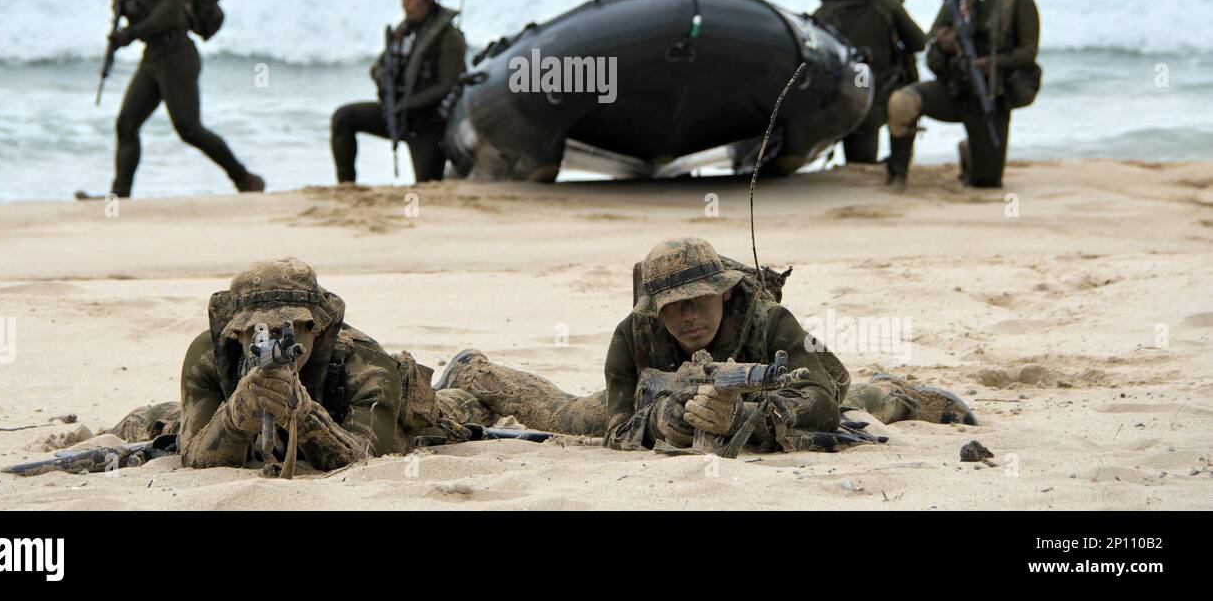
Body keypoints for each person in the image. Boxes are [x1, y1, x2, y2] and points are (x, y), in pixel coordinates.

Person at [436, 238, 976, 453]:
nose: (687, 315)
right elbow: (620, 428)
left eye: (697, 300)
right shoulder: (634, 336)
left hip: (773, 393)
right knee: (567, 415)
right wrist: (671, 419)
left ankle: (900, 394)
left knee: (857, 404)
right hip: (662, 401)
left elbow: (820, 402)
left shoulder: (768, 321)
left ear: (723, 292)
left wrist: (746, 415)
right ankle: (478, 374)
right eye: (673, 305)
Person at [174, 256, 476, 474]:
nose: (273, 344)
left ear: (316, 328)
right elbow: (194, 457)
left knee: (458, 406)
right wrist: (238, 412)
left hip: (392, 410)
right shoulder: (209, 356)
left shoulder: (366, 365)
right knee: (152, 423)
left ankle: (466, 370)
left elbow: (365, 459)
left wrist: (304, 415)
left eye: (289, 331)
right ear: (237, 333)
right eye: (257, 331)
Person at [98, 0, 263, 198]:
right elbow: (151, 6)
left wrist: (131, 33)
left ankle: (245, 179)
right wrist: (127, 4)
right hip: (155, 55)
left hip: (176, 56)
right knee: (127, 123)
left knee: (189, 129)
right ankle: (119, 196)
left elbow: (171, 12)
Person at [886, 0, 1041, 188]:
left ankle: (971, 149)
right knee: (901, 103)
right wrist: (947, 40)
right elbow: (932, 35)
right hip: (953, 89)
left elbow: (1028, 52)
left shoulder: (1019, 0)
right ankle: (897, 173)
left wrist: (990, 64)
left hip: (991, 97)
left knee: (986, 182)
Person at [331, 0, 466, 183]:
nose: (404, 2)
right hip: (396, 113)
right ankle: (346, 186)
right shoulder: (403, 32)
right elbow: (378, 65)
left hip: (427, 124)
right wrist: (382, 77)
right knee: (343, 118)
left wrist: (408, 104)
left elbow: (446, 85)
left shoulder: (449, 37)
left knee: (427, 186)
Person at [813, 0, 927, 163]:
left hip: (835, 103)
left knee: (858, 162)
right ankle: (898, 163)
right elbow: (919, 43)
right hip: (879, 100)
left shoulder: (822, 12)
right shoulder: (887, 5)